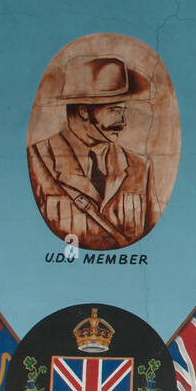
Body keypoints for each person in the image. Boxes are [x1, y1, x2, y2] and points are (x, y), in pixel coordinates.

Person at [28, 56, 161, 249]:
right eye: (114, 110)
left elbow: (152, 241)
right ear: (83, 110)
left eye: (124, 111)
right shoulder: (38, 160)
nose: (123, 121)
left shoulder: (140, 166)